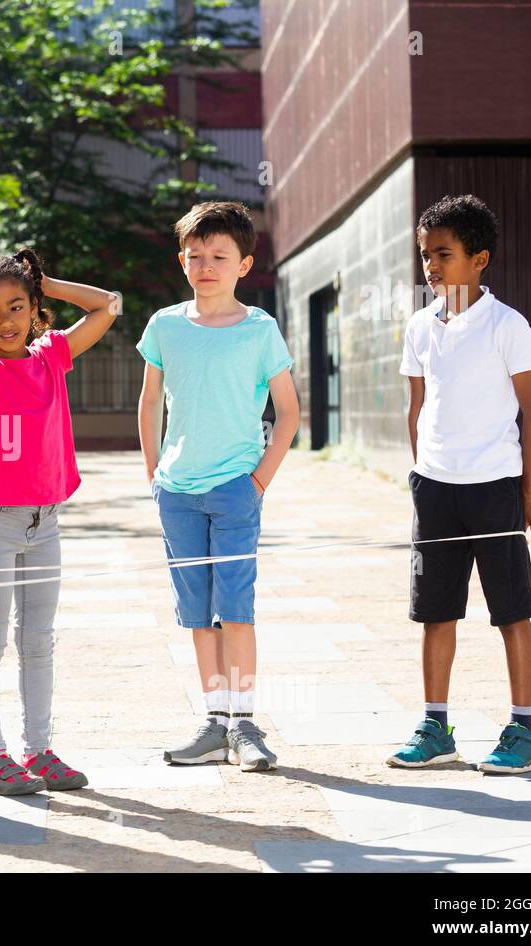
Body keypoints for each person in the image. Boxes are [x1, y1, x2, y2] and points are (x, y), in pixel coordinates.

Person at [0, 248, 118, 795]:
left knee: (39, 641)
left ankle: (39, 751)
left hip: (45, 523)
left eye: (17, 306)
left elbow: (107, 307)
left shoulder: (53, 354)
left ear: (35, 308)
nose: (5, 321)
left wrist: (45, 280)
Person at [388, 194, 531, 775]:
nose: (431, 265)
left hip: (495, 487)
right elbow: (417, 408)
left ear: (479, 259)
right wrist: (421, 475)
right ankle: (435, 727)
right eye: (425, 255)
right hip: (435, 489)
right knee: (435, 613)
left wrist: (528, 490)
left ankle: (524, 731)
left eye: (444, 254)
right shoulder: (419, 325)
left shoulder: (508, 326)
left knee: (511, 611)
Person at [139, 201, 299, 773]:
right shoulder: (164, 325)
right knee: (197, 613)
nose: (206, 265)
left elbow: (287, 412)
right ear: (182, 260)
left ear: (244, 264)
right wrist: (155, 471)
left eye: (219, 256)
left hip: (236, 487)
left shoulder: (260, 329)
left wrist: (258, 480)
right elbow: (150, 399)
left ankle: (246, 724)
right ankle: (213, 721)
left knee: (236, 610)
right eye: (196, 255)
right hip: (177, 491)